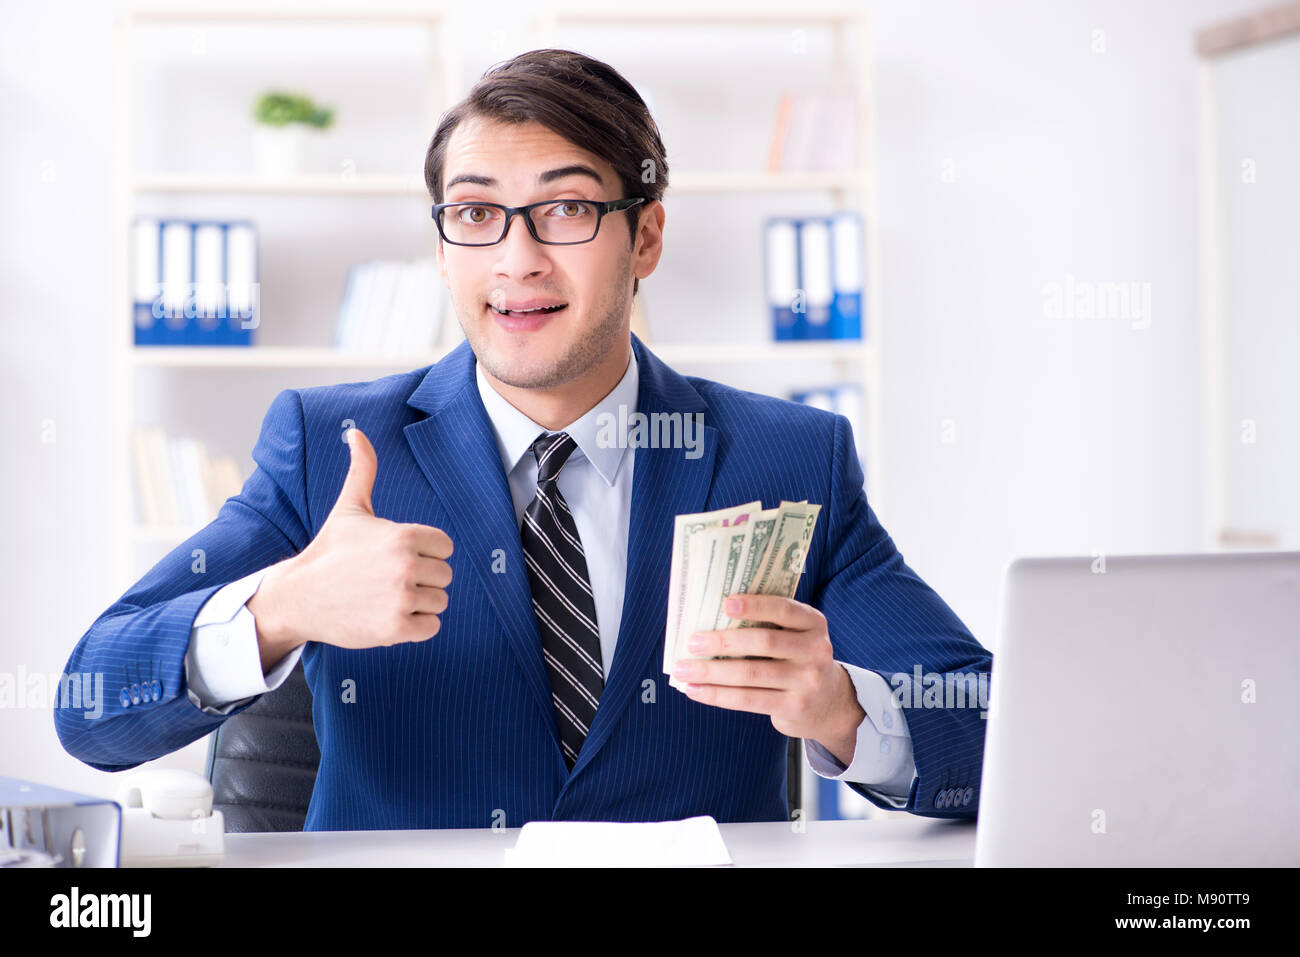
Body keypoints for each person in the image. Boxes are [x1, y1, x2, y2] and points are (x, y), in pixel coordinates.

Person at [57, 49, 992, 830]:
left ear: (647, 236)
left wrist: (842, 709)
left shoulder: (786, 456)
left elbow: (994, 728)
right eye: (474, 213)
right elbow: (89, 703)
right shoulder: (331, 447)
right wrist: (276, 609)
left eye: (567, 208)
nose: (517, 259)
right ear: (442, 243)